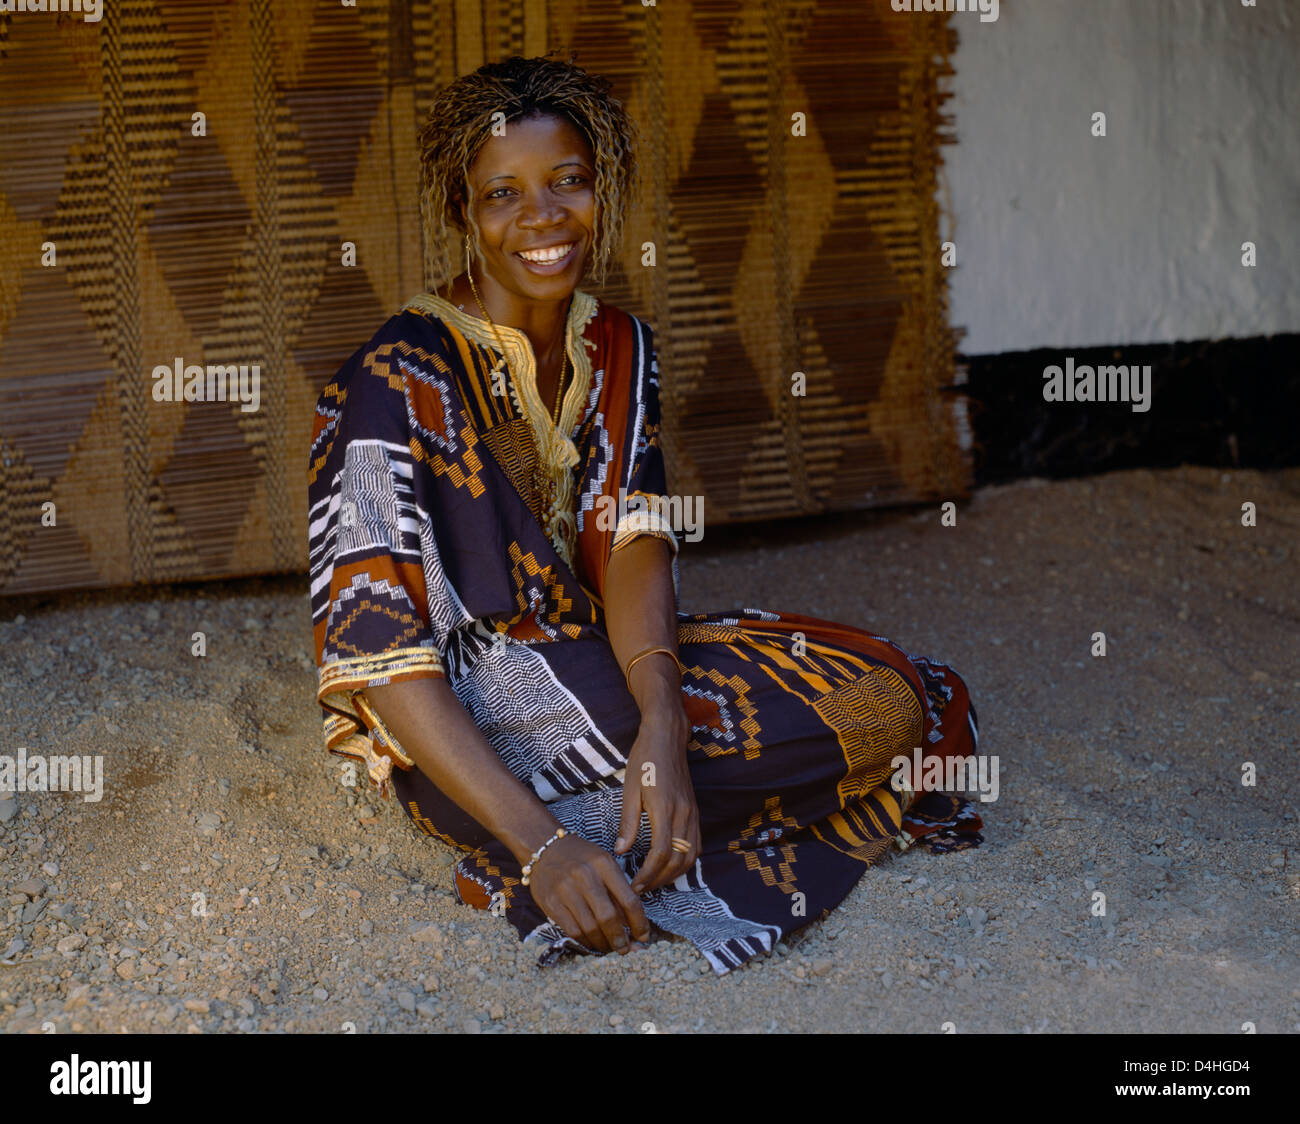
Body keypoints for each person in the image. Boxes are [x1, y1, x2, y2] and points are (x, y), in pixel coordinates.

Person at [307, 54, 983, 975]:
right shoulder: (391, 380)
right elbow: (378, 657)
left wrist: (664, 723)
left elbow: (631, 538)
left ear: (603, 186)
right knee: (659, 749)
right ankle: (553, 832)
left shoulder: (620, 344)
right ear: (461, 209)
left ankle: (629, 811)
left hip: (598, 668)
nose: (543, 218)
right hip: (459, 721)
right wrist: (540, 850)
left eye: (568, 182)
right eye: (502, 193)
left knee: (898, 695)